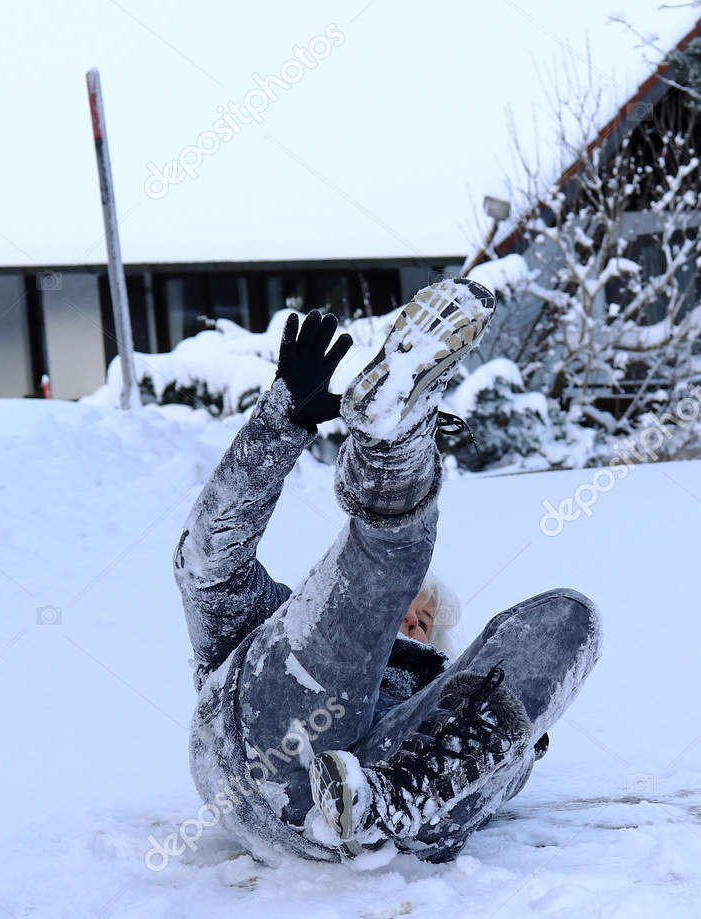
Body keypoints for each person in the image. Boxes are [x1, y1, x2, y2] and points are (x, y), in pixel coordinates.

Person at [173, 278, 602, 864]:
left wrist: (515, 735)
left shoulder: (431, 690)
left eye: (425, 620)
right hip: (260, 736)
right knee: (388, 559)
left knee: (572, 618)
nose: (414, 621)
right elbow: (206, 564)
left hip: (372, 797)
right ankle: (393, 445)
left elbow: (486, 793)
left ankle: (382, 801)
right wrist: (282, 422)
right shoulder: (279, 621)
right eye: (409, 608)